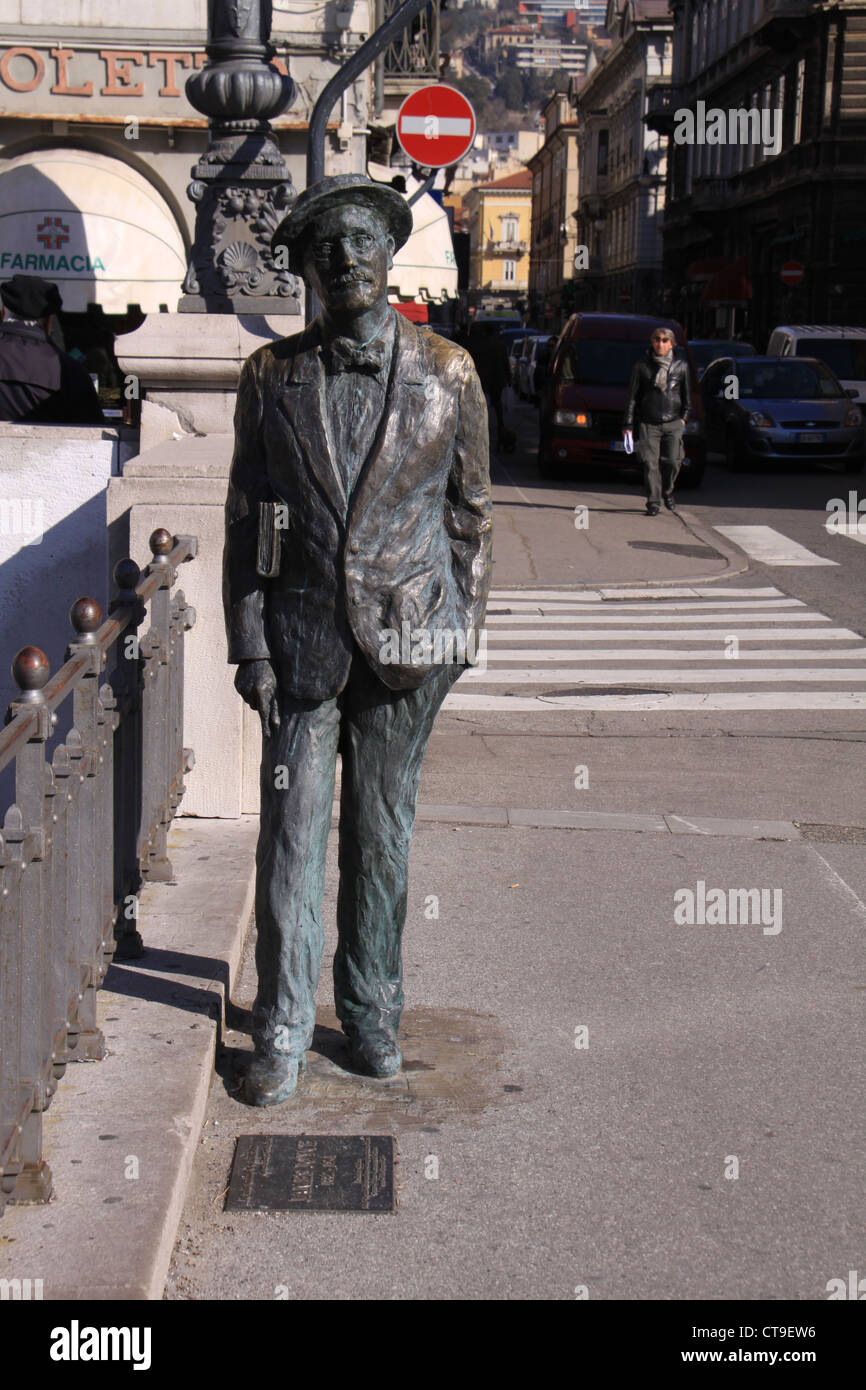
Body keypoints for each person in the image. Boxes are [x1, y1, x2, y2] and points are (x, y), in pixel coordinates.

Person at [223, 174, 493, 1106]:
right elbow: (247, 517)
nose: (347, 260)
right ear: (305, 266)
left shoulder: (450, 371)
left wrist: (462, 634)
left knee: (381, 838)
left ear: (390, 256)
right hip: (300, 647)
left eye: (363, 242)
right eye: (327, 247)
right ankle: (283, 1029)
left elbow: (472, 516)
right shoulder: (271, 377)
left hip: (409, 641)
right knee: (291, 840)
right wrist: (249, 644)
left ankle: (373, 1015)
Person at [0, 275, 103, 425]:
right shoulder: (68, 370)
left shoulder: (69, 369)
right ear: (48, 322)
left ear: (3, 313)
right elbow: (92, 432)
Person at [623, 325, 690, 515]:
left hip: (673, 422)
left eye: (664, 340)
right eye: (657, 340)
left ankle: (667, 491)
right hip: (649, 422)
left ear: (671, 344)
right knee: (650, 463)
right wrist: (627, 424)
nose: (660, 344)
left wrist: (683, 419)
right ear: (652, 342)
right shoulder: (642, 366)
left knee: (672, 461)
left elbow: (687, 398)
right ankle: (653, 502)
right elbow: (632, 398)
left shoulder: (681, 366)